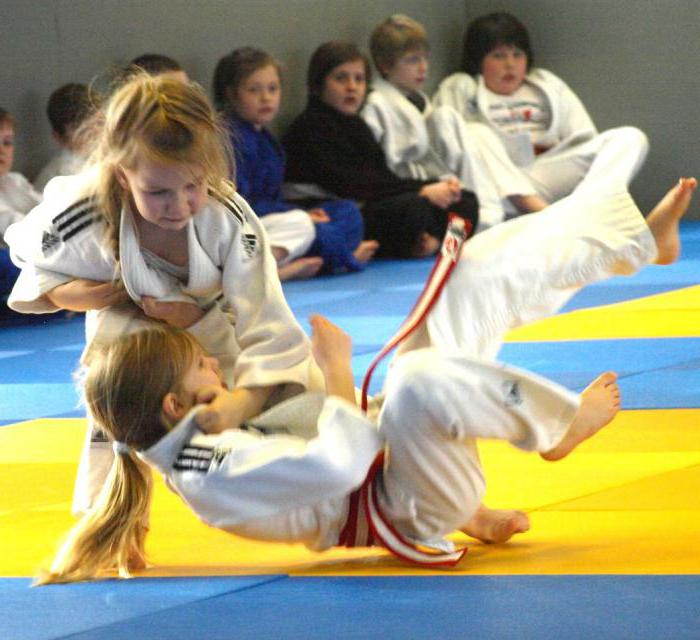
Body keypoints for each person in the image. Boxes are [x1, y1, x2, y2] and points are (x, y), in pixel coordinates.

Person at [35, 172, 696, 582]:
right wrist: (338, 373)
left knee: (468, 279)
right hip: (398, 509)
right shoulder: (206, 466)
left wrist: (340, 392)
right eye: (200, 360)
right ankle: (552, 430)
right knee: (419, 380)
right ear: (176, 401)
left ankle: (638, 242)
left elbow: (328, 442)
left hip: (408, 477)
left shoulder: (207, 423)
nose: (213, 357)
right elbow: (341, 466)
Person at [4, 73, 323, 517]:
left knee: (305, 399)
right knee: (113, 393)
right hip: (124, 316)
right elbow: (26, 251)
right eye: (157, 192)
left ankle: (297, 480)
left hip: (214, 318)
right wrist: (76, 294)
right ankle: (108, 511)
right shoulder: (82, 212)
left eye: (192, 186)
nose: (178, 205)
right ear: (121, 176)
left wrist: (240, 403)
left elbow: (269, 327)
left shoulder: (229, 219)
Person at [434, 12, 649, 219]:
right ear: (477, 60)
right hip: (496, 188)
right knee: (475, 132)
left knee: (630, 137)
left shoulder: (546, 83)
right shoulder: (460, 87)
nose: (510, 64)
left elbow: (583, 135)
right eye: (498, 56)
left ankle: (588, 209)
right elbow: (451, 145)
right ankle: (538, 210)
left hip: (545, 173)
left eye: (517, 55)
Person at [283, 40, 479, 258]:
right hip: (337, 211)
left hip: (368, 200)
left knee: (464, 199)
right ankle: (418, 242)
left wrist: (437, 186)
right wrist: (423, 191)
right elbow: (356, 186)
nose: (352, 87)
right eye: (341, 78)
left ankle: (443, 245)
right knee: (414, 207)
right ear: (318, 84)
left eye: (359, 79)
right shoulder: (310, 127)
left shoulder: (355, 125)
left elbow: (384, 179)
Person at [212, 47, 377, 279]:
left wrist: (302, 212)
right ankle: (273, 269)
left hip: (274, 221)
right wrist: (301, 215)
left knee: (346, 212)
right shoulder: (230, 140)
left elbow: (275, 199)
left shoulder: (266, 139)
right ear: (231, 94)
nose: (266, 97)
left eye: (272, 89)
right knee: (303, 225)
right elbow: (239, 206)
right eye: (254, 90)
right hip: (243, 227)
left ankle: (285, 260)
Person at [363, 15, 535, 228]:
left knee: (448, 117)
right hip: (403, 196)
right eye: (412, 60)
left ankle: (483, 219)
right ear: (385, 65)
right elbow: (377, 175)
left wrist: (449, 183)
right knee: (438, 212)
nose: (423, 68)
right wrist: (426, 189)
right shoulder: (376, 105)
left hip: (435, 188)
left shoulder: (419, 101)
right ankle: (450, 237)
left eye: (425, 58)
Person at [0, 108, 42, 300]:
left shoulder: (14, 181)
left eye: (7, 143)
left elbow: (51, 211)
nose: (2, 150)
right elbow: (15, 226)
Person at [34, 83, 95, 192]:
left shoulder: (116, 158)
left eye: (99, 123)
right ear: (59, 137)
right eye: (81, 129)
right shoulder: (53, 178)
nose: (94, 132)